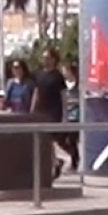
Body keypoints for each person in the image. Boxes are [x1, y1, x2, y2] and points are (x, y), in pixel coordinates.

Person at [30, 47, 74, 179]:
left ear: (54, 60)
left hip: (54, 111)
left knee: (51, 138)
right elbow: (36, 93)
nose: (45, 60)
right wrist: (32, 110)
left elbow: (63, 96)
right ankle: (55, 162)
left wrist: (65, 115)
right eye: (44, 58)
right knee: (42, 139)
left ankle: (60, 159)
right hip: (40, 110)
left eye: (48, 58)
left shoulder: (57, 76)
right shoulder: (39, 75)